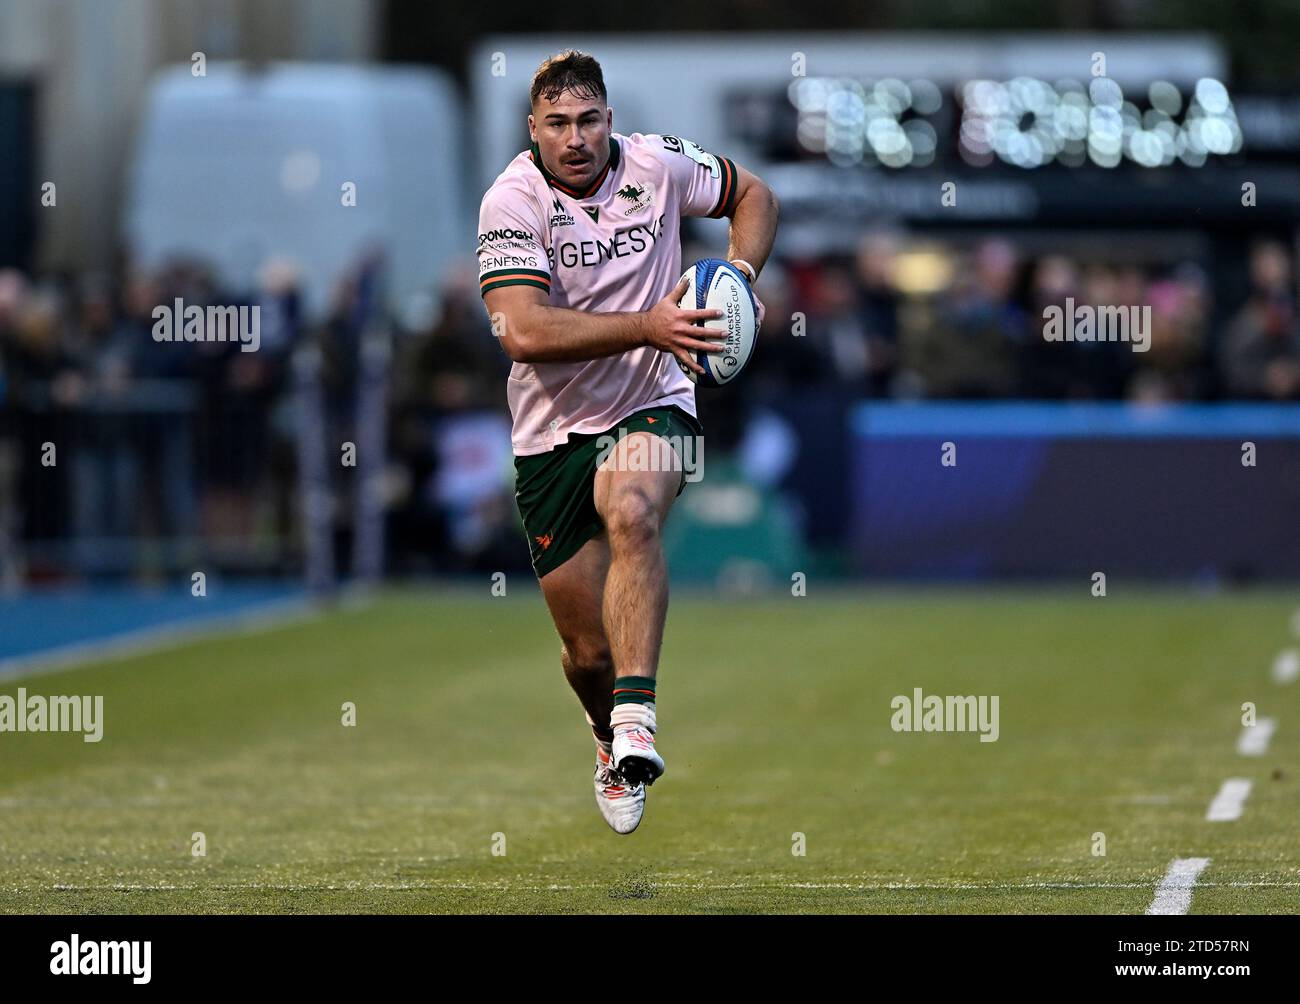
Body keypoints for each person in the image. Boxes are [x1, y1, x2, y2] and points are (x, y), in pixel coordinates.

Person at [475, 49, 779, 833]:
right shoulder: (511, 201)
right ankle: (609, 735)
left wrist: (739, 274)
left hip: (657, 395)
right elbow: (523, 332)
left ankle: (638, 717)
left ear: (610, 119)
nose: (574, 139)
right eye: (557, 125)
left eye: (588, 121)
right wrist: (651, 322)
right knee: (585, 656)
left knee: (633, 505)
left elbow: (754, 195)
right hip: (551, 433)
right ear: (532, 130)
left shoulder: (659, 164)